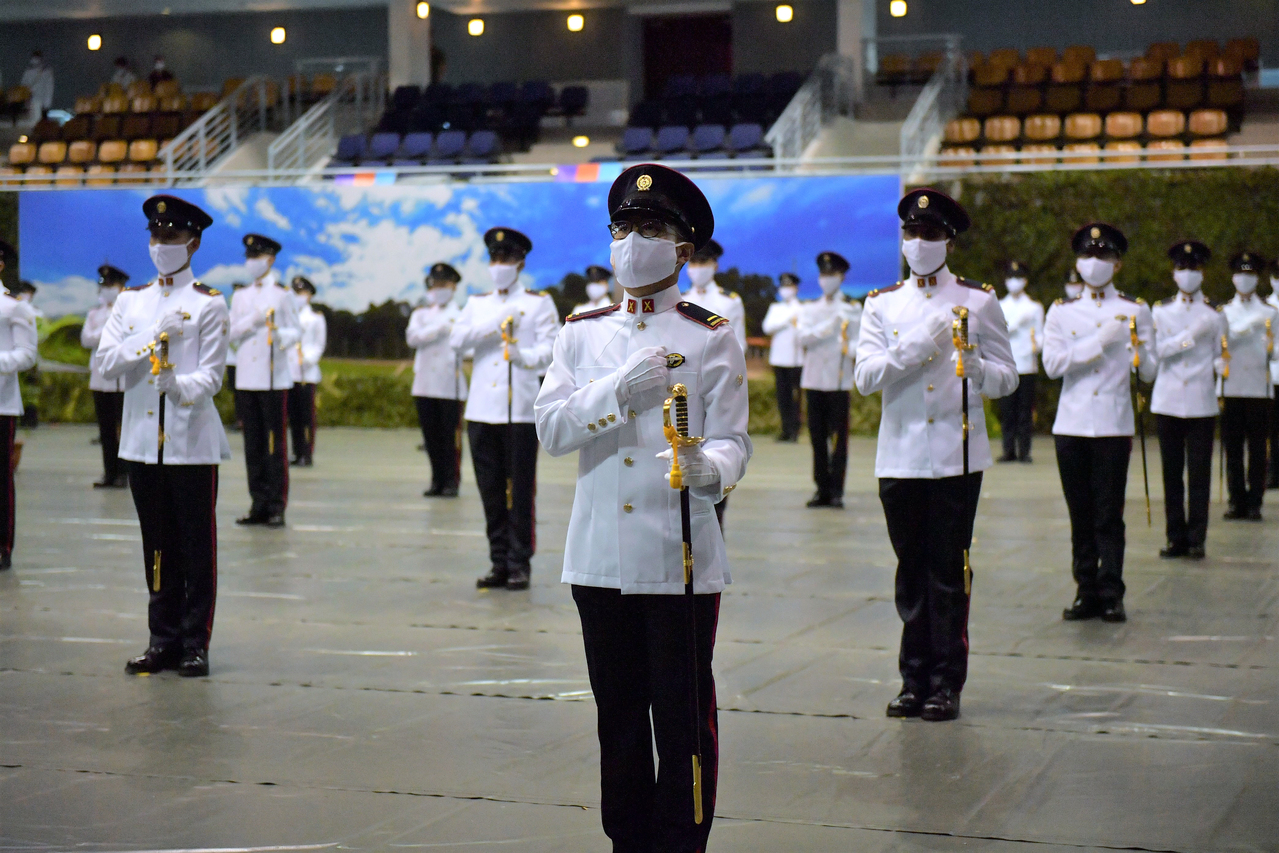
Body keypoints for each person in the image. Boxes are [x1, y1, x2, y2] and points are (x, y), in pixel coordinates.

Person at [535, 163, 751, 853]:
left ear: (683, 250)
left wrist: (709, 468)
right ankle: (626, 842)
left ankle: (682, 843)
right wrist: (618, 392)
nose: (633, 239)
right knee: (618, 718)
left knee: (683, 718)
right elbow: (551, 430)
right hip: (598, 558)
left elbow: (734, 440)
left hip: (678, 554)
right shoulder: (579, 332)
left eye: (651, 228)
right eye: (623, 226)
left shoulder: (710, 332)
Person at [854, 188, 1017, 722]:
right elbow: (864, 378)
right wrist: (919, 346)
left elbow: (1007, 378)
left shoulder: (979, 301)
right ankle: (912, 677)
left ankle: (946, 681)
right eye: (910, 234)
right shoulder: (881, 303)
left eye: (928, 234)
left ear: (949, 240)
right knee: (910, 571)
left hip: (956, 455)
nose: (918, 243)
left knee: (948, 571)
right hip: (899, 457)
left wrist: (978, 368)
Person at [97, 195, 229, 677]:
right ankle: (162, 639)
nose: (160, 244)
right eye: (155, 236)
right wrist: (151, 337)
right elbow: (105, 361)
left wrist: (177, 386)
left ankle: (196, 642)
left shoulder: (208, 304)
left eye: (171, 237)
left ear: (192, 243)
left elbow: (212, 378)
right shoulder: (131, 301)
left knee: (196, 549)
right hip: (139, 443)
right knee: (155, 545)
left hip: (190, 444)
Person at [1043, 223, 1156, 624]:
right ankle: (1085, 588)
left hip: (1112, 423)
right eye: (1087, 256)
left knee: (1109, 514)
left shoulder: (1135, 310)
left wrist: (1143, 351)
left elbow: (1149, 373)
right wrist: (1098, 343)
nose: (1094, 264)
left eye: (1103, 256)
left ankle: (1112, 591)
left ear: (1117, 263)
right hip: (1071, 425)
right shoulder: (1061, 311)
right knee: (1080, 513)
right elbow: (1053, 365)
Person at [449, 228, 558, 590]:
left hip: (520, 409)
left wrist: (524, 357)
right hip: (482, 409)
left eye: (506, 260)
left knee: (520, 490)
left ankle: (519, 562)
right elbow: (456, 340)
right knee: (490, 491)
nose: (499, 266)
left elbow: (551, 349)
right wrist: (493, 326)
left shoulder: (539, 302)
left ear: (520, 263)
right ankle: (498, 561)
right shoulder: (478, 303)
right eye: (494, 259)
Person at [1151, 240, 1223, 559]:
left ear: (1202, 273)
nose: (1187, 274)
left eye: (1193, 268)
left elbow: (1221, 356)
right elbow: (1157, 352)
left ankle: (1197, 538)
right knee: (1171, 473)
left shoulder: (1214, 314)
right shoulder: (1160, 309)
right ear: (1173, 273)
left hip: (1200, 400)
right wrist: (1189, 337)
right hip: (1167, 399)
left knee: (1198, 473)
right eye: (1182, 268)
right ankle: (1175, 536)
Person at [227, 234, 300, 528]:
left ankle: (276, 505)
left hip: (273, 377)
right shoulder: (241, 296)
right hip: (247, 377)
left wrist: (279, 336)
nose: (252, 262)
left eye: (257, 257)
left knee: (274, 444)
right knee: (252, 444)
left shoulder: (283, 294)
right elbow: (230, 332)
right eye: (249, 257)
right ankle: (257, 502)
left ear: (270, 260)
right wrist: (254, 321)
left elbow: (295, 332)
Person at [800, 253, 861, 508]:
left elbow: (860, 344)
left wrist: (849, 348)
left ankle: (837, 490)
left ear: (842, 277)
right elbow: (802, 338)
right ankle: (821, 488)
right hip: (814, 380)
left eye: (832, 275)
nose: (827, 280)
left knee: (839, 440)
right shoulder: (810, 307)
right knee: (817, 438)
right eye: (823, 275)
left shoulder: (852, 308)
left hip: (839, 381)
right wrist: (827, 329)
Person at [1219, 252, 1275, 521]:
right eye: (1240, 274)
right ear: (1233, 277)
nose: (1244, 278)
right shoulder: (1224, 312)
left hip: (1257, 387)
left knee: (1256, 448)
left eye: (1250, 274)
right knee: (1232, 448)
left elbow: (1276, 352)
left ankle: (1255, 501)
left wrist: (1270, 347)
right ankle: (1235, 499)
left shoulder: (1269, 312)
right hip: (1231, 386)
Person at [408, 263, 468, 497]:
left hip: (448, 384)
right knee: (430, 437)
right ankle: (436, 480)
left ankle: (451, 481)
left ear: (453, 286)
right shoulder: (421, 313)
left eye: (443, 284)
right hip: (424, 384)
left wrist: (433, 331)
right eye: (435, 284)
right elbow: (412, 338)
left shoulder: (461, 314)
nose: (438, 289)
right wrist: (437, 330)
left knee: (449, 438)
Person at [0, 239, 38, 571]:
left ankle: (2, 544)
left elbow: (27, 355)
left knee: (1, 477)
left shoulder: (14, 307)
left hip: (1, 403)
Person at [80, 264, 130, 488]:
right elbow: (85, 339)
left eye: (111, 285)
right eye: (105, 285)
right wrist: (106, 333)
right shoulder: (94, 312)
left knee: (123, 429)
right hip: (99, 376)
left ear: (121, 287)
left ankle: (123, 473)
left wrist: (99, 335)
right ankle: (109, 472)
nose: (107, 289)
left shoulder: (127, 310)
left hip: (121, 377)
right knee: (106, 428)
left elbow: (124, 337)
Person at [997, 260, 1045, 463]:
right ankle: (1008, 449)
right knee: (1007, 410)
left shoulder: (1034, 307)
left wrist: (1037, 348)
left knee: (1025, 411)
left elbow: (1041, 335)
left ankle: (1024, 450)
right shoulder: (999, 305)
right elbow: (998, 333)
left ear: (1024, 280)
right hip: (1006, 362)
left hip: (1026, 363)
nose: (1013, 282)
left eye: (1017, 278)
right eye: (1010, 278)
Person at [682, 239, 747, 353]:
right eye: (693, 262)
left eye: (702, 262)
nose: (697, 267)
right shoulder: (680, 300)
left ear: (715, 266)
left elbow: (739, 344)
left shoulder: (730, 301)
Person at [287, 276, 325, 467]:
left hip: (307, 374)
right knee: (293, 416)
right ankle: (296, 451)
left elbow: (319, 345)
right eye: (296, 293)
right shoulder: (287, 315)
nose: (300, 296)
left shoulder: (316, 317)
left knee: (306, 417)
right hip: (289, 373)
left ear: (309, 295)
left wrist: (307, 360)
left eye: (303, 293)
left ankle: (307, 453)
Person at [761, 272, 803, 442]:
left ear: (795, 288)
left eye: (789, 286)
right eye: (783, 287)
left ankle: (795, 429)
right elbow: (767, 327)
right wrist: (786, 321)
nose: (786, 290)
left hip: (796, 358)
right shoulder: (775, 308)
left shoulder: (802, 308)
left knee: (795, 397)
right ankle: (785, 429)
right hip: (779, 358)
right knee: (782, 396)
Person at [225, 282, 245, 430]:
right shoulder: (229, 314)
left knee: (245, 392)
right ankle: (239, 419)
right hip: (232, 360)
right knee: (236, 393)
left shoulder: (247, 315)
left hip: (245, 360)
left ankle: (246, 420)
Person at [19, 51, 54, 120]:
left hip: (31, 101)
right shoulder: (47, 72)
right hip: (39, 102)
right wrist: (47, 104)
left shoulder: (28, 72)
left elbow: (23, 87)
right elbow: (49, 89)